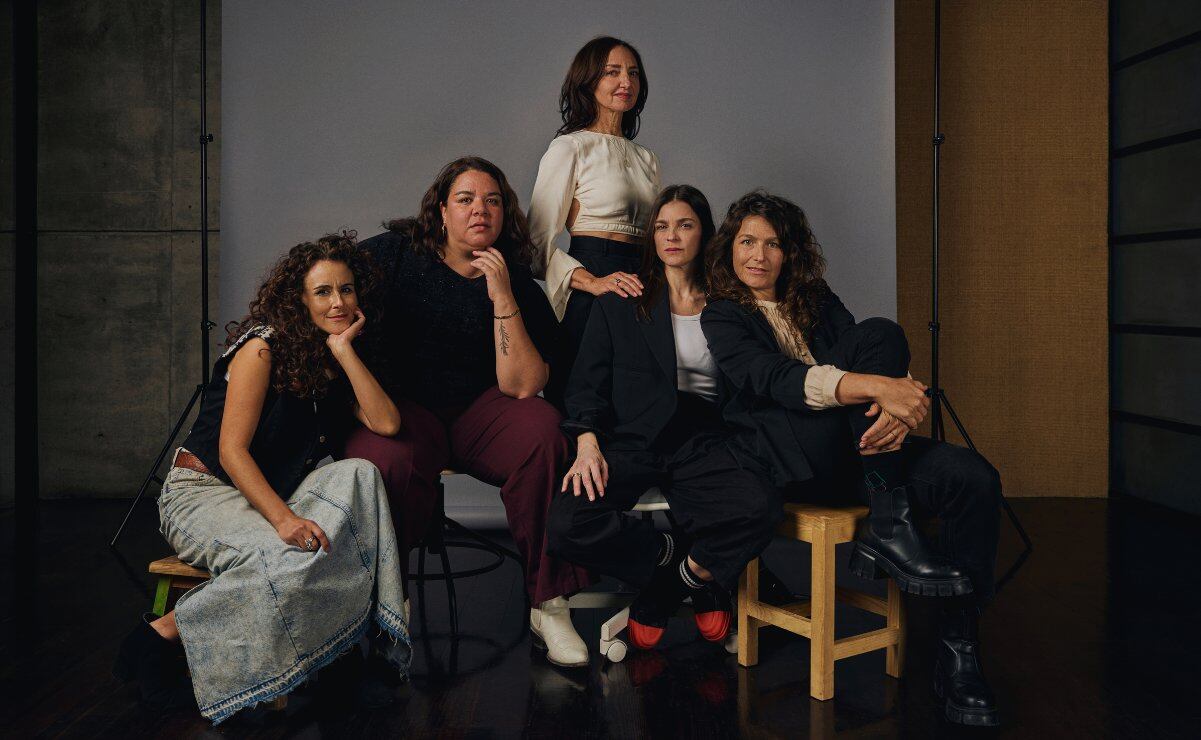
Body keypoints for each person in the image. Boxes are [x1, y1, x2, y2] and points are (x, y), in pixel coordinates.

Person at [700, 190, 1003, 727]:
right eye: (747, 241)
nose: (759, 255)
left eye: (773, 244)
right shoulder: (722, 314)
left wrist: (889, 401)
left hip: (861, 452)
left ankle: (959, 654)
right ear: (731, 248)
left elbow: (871, 357)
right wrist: (887, 392)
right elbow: (774, 379)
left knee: (972, 476)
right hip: (797, 457)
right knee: (882, 334)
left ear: (790, 253)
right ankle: (890, 518)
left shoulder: (815, 296)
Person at [114, 234, 410, 724]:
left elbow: (386, 423)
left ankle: (332, 658)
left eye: (346, 289)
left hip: (267, 496)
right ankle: (159, 638)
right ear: (299, 299)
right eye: (323, 292)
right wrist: (285, 521)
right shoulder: (261, 348)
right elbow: (231, 452)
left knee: (359, 473)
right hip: (203, 493)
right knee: (293, 557)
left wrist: (343, 350)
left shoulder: (333, 357)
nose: (338, 302)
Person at [347, 156, 594, 668]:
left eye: (492, 201)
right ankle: (386, 606)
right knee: (383, 459)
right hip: (404, 409)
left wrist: (500, 294)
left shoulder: (516, 280)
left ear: (505, 213)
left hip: (481, 413)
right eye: (465, 199)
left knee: (543, 432)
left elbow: (522, 387)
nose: (480, 210)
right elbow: (321, 280)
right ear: (441, 210)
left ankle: (549, 603)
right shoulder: (393, 255)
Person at [547, 185, 783, 650]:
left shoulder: (731, 304)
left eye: (684, 225)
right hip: (633, 438)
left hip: (706, 441)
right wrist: (587, 443)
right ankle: (676, 561)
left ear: (704, 233)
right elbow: (586, 385)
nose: (671, 236)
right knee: (566, 523)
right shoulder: (622, 297)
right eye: (661, 227)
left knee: (760, 507)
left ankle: (673, 587)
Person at [526, 35, 661, 406]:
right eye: (612, 72)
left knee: (638, 402)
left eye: (633, 73)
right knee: (586, 398)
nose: (626, 82)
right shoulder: (569, 147)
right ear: (588, 81)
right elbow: (534, 247)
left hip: (644, 283)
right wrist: (591, 281)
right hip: (593, 280)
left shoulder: (647, 158)